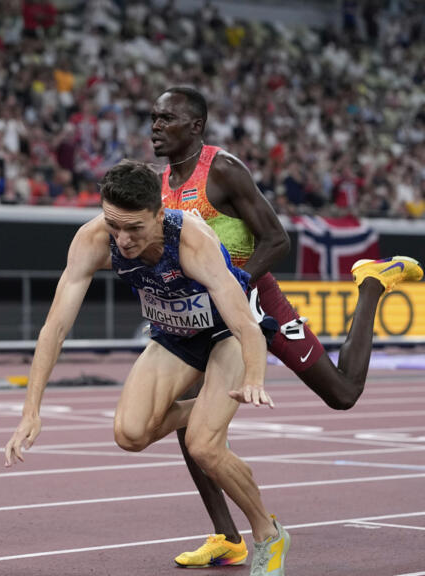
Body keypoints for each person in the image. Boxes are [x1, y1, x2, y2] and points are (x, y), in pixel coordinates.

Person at [151, 86, 424, 568]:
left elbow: (277, 240)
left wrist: (233, 290)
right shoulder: (159, 184)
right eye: (152, 116)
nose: (154, 125)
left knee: (341, 394)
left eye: (165, 118)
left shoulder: (223, 170)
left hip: (256, 302)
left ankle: (373, 284)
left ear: (194, 127)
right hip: (207, 317)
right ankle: (228, 537)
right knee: (189, 416)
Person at [5, 160, 291, 576]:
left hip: (227, 333)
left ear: (160, 213)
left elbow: (246, 325)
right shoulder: (93, 240)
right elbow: (55, 328)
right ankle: (211, 408)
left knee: (204, 447)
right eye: (113, 225)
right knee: (130, 434)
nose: (122, 239)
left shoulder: (192, 241)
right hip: (174, 335)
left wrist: (254, 378)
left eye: (134, 228)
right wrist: (31, 410)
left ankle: (268, 534)